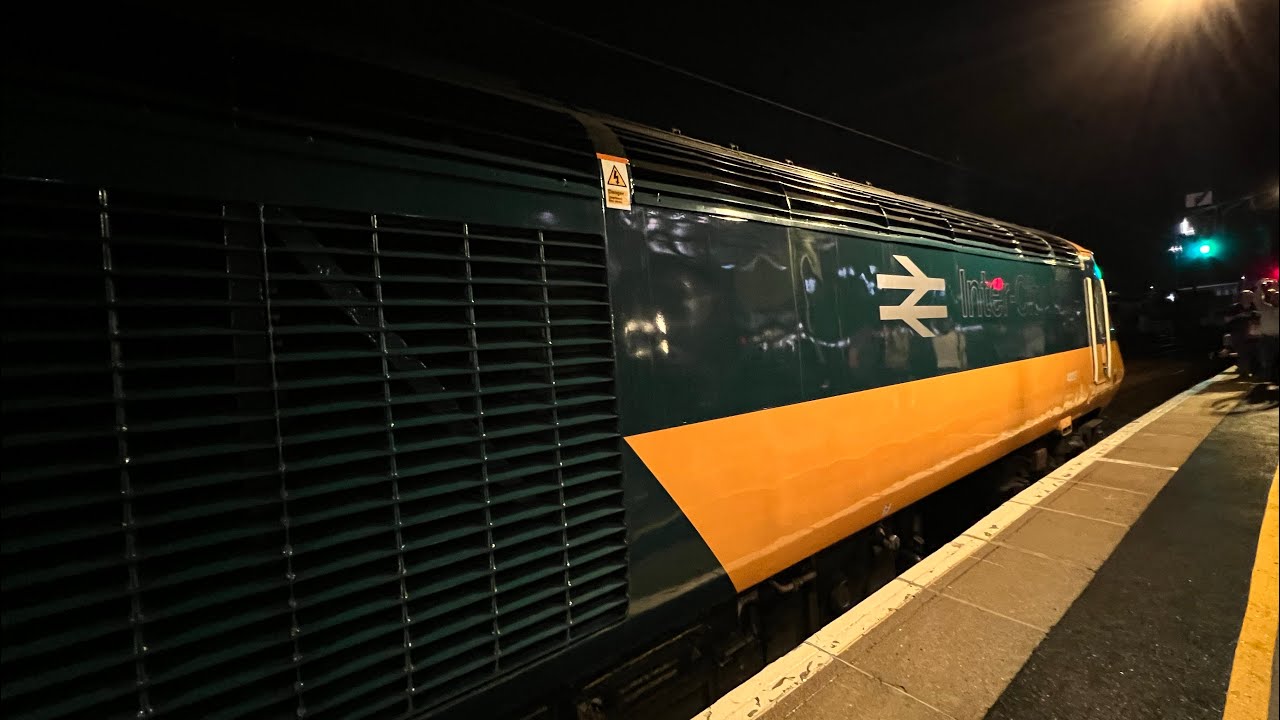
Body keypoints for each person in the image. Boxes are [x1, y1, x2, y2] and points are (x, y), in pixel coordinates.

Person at [1225, 290, 1261, 377]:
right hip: (1238, 334)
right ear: (1241, 298)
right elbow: (1226, 319)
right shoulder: (1234, 307)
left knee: (1254, 352)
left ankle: (1254, 372)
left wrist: (1257, 314)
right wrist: (1239, 315)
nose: (1249, 298)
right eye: (1247, 296)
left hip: (1253, 334)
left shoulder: (1255, 307)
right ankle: (1243, 373)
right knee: (1242, 353)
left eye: (1250, 296)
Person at [1257, 285, 1279, 382]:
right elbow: (1257, 299)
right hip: (1267, 339)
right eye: (1275, 297)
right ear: (1271, 298)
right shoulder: (1264, 307)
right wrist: (1259, 286)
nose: (1277, 299)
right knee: (1266, 360)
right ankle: (1266, 380)